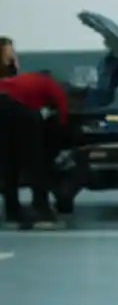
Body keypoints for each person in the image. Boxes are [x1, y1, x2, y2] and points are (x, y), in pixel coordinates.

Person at [0, 70, 68, 229]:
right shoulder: (50, 83)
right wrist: (62, 129)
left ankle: (12, 212)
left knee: (9, 163)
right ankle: (42, 212)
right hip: (15, 107)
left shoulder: (20, 80)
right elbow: (63, 107)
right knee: (35, 162)